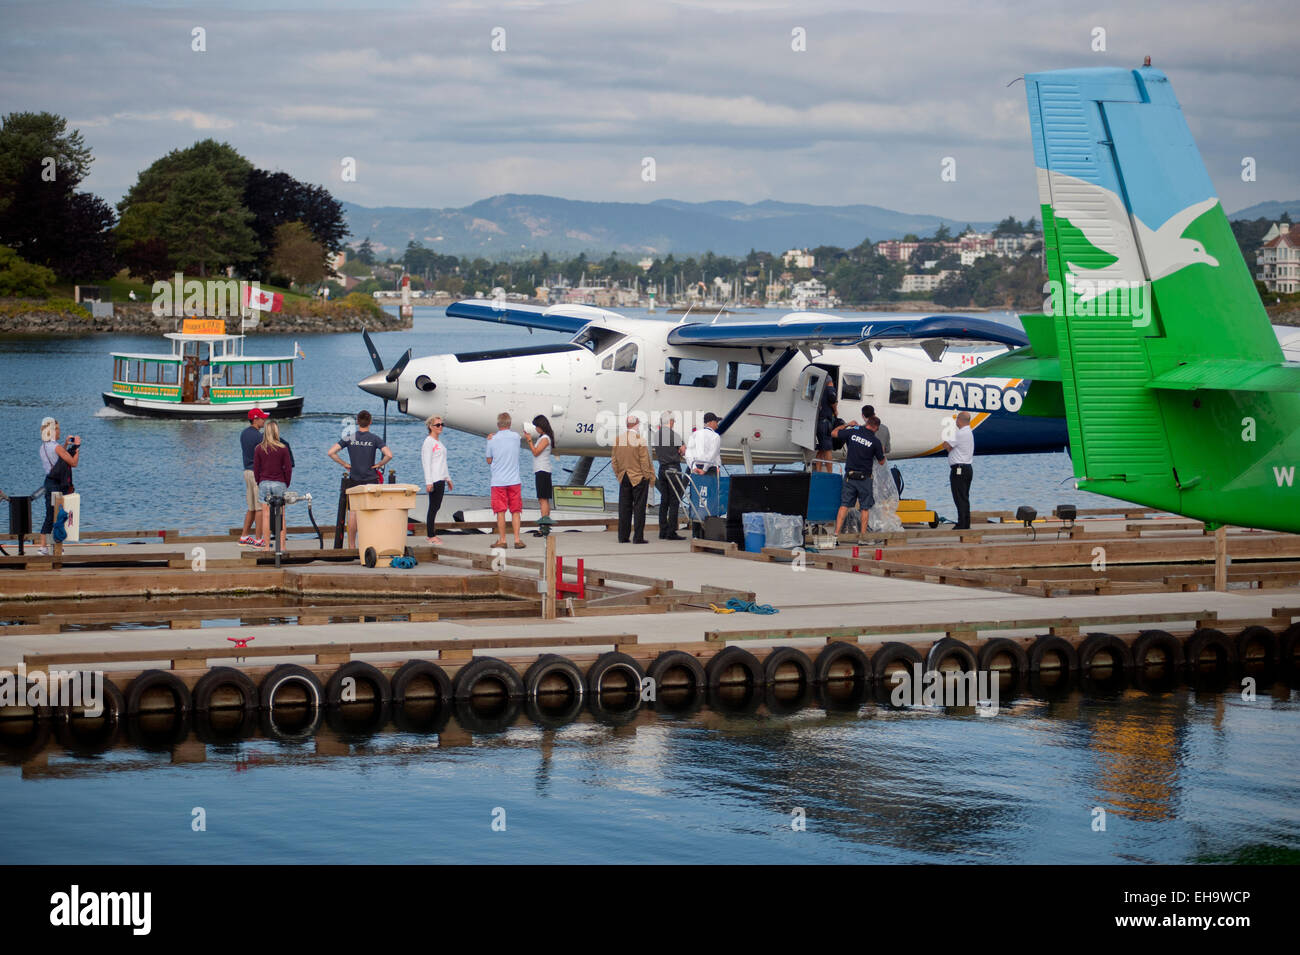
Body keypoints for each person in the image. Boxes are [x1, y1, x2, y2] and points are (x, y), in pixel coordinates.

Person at [327, 409, 392, 548]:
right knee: (372, 512)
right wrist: (380, 464)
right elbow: (389, 455)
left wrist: (344, 464)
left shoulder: (350, 437)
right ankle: (371, 543)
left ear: (357, 422)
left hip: (355, 478)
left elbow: (331, 452)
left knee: (353, 513)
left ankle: (351, 545)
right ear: (370, 422)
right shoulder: (374, 438)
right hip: (371, 479)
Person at [831, 414, 886, 539]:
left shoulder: (852, 432)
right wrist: (881, 451)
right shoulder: (875, 442)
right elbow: (881, 462)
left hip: (849, 476)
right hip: (864, 478)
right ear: (875, 428)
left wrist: (847, 425)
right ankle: (863, 537)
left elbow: (834, 433)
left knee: (844, 505)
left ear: (867, 423)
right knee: (865, 508)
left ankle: (836, 535)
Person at [37, 417, 78, 555]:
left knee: (49, 514)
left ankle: (43, 546)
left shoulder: (43, 447)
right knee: (59, 515)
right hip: (58, 484)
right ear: (53, 431)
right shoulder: (57, 447)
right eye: (58, 428)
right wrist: (77, 448)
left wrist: (66, 445)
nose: (60, 431)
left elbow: (58, 459)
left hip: (48, 482)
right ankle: (57, 545)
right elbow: (73, 462)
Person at [612, 415, 654, 544]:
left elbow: (614, 461)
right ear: (637, 424)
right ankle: (638, 537)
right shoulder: (639, 440)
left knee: (624, 508)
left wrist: (619, 474)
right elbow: (644, 461)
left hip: (624, 476)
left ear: (626, 425)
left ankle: (623, 536)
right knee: (639, 508)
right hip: (638, 477)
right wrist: (648, 476)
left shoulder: (619, 439)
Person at [486, 411, 525, 549]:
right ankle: (517, 539)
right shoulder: (516, 437)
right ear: (510, 424)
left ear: (498, 424)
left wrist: (490, 439)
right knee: (515, 511)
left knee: (500, 511)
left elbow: (489, 460)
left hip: (498, 481)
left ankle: (502, 540)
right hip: (514, 480)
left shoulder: (492, 439)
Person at [254, 420, 293, 550]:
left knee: (266, 515)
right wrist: (286, 482)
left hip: (264, 483)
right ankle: (282, 546)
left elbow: (256, 468)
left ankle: (266, 546)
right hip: (279, 482)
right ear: (276, 432)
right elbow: (288, 468)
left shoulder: (259, 448)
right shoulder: (283, 448)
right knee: (280, 515)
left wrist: (259, 482)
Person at [239, 408, 269, 545]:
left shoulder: (244, 434)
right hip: (257, 473)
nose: (264, 420)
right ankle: (258, 539)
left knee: (251, 507)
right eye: (262, 418)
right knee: (259, 508)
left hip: (246, 472)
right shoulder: (259, 436)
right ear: (255, 419)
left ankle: (244, 536)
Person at [420, 415, 452, 545]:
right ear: (430, 427)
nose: (440, 427)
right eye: (437, 425)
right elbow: (426, 462)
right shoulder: (428, 442)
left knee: (437, 506)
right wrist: (429, 482)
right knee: (433, 506)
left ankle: (432, 533)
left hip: (441, 478)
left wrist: (448, 478)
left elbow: (442, 463)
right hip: (434, 479)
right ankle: (430, 535)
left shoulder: (438, 443)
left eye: (441, 424)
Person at [654, 412, 686, 540]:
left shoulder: (657, 435)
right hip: (673, 469)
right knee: (674, 501)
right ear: (671, 421)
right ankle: (671, 531)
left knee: (664, 501)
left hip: (662, 469)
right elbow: (683, 450)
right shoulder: (674, 435)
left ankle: (663, 530)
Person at [524, 414, 556, 532]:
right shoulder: (543, 437)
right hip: (542, 470)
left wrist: (529, 441)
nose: (536, 429)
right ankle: (545, 524)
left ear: (541, 426)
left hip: (543, 470)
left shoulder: (545, 438)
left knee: (543, 498)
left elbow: (536, 452)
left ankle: (544, 525)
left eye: (537, 426)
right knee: (543, 498)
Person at [943, 411, 975, 530]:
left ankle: (962, 523)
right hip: (967, 468)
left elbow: (946, 445)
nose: (956, 421)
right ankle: (965, 523)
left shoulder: (960, 433)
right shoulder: (969, 432)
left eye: (957, 419)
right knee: (964, 496)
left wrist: (948, 446)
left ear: (960, 420)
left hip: (959, 469)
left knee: (959, 496)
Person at [814, 375, 838, 473]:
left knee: (821, 449)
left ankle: (818, 470)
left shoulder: (819, 390)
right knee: (828, 449)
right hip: (825, 423)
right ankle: (830, 473)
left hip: (819, 422)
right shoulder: (829, 388)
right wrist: (835, 410)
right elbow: (833, 399)